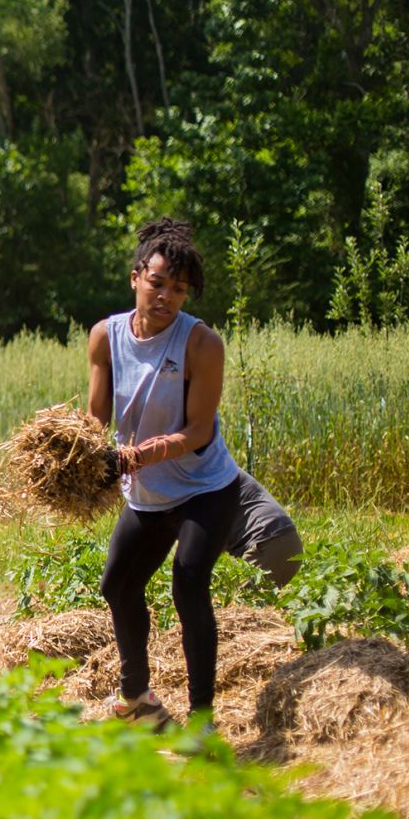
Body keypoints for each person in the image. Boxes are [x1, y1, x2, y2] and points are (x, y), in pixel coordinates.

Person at [87, 219, 303, 733]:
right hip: (146, 492)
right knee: (117, 585)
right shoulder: (105, 337)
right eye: (158, 283)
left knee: (188, 582)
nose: (166, 297)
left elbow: (199, 430)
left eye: (179, 289)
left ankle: (203, 722)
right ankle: (138, 700)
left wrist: (140, 453)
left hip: (206, 488)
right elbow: (96, 422)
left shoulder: (201, 344)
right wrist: (82, 460)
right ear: (136, 277)